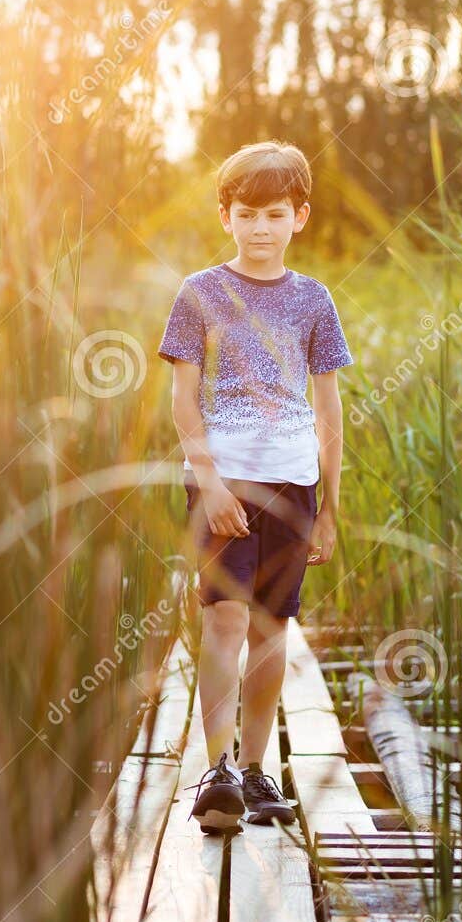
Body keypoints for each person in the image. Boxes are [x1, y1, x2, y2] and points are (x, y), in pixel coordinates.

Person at [155, 140, 354, 833]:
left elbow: (328, 408)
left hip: (292, 482)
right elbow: (184, 400)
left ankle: (256, 768)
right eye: (247, 213)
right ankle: (217, 768)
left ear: (299, 217)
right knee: (224, 617)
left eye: (275, 213)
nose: (261, 227)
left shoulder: (313, 300)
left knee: (272, 627)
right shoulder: (200, 293)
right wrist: (208, 484)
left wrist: (329, 508)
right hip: (223, 480)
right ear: (226, 215)